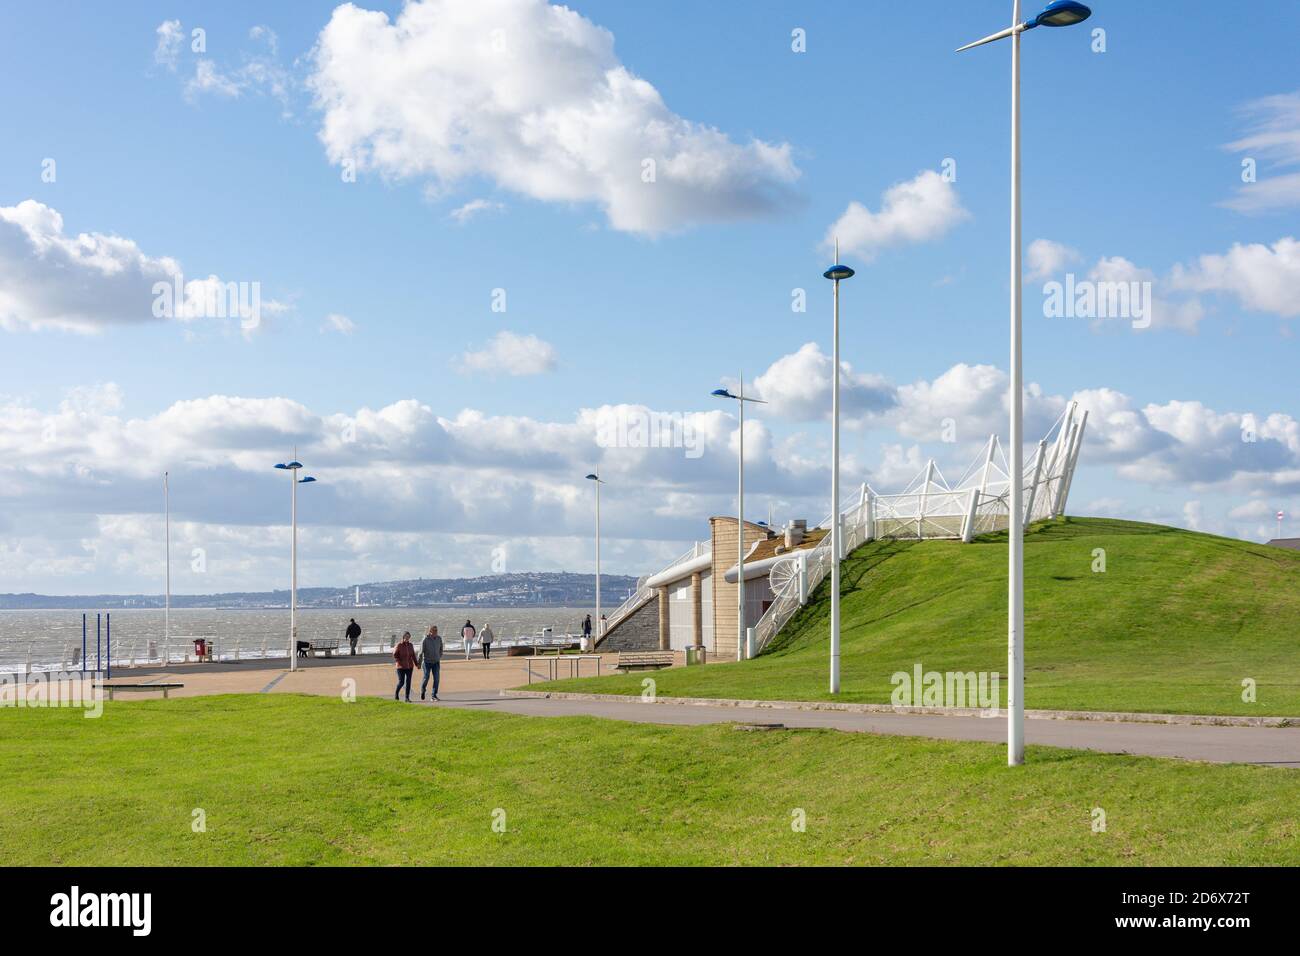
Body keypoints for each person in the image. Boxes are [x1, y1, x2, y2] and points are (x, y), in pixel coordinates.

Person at [418, 625, 443, 701]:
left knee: (437, 679)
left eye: (436, 630)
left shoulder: (439, 638)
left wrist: (439, 656)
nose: (436, 632)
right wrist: (419, 663)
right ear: (430, 631)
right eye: (434, 630)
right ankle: (423, 690)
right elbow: (420, 652)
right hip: (427, 662)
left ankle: (434, 695)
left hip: (436, 662)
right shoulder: (425, 640)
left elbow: (441, 649)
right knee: (426, 677)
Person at [393, 631, 417, 702]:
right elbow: (395, 655)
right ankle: (396, 693)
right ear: (403, 637)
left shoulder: (410, 645)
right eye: (406, 636)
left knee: (408, 682)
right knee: (401, 682)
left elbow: (413, 655)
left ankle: (407, 698)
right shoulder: (399, 645)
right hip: (401, 667)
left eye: (408, 637)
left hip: (409, 666)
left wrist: (416, 664)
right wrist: (399, 661)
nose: (407, 638)